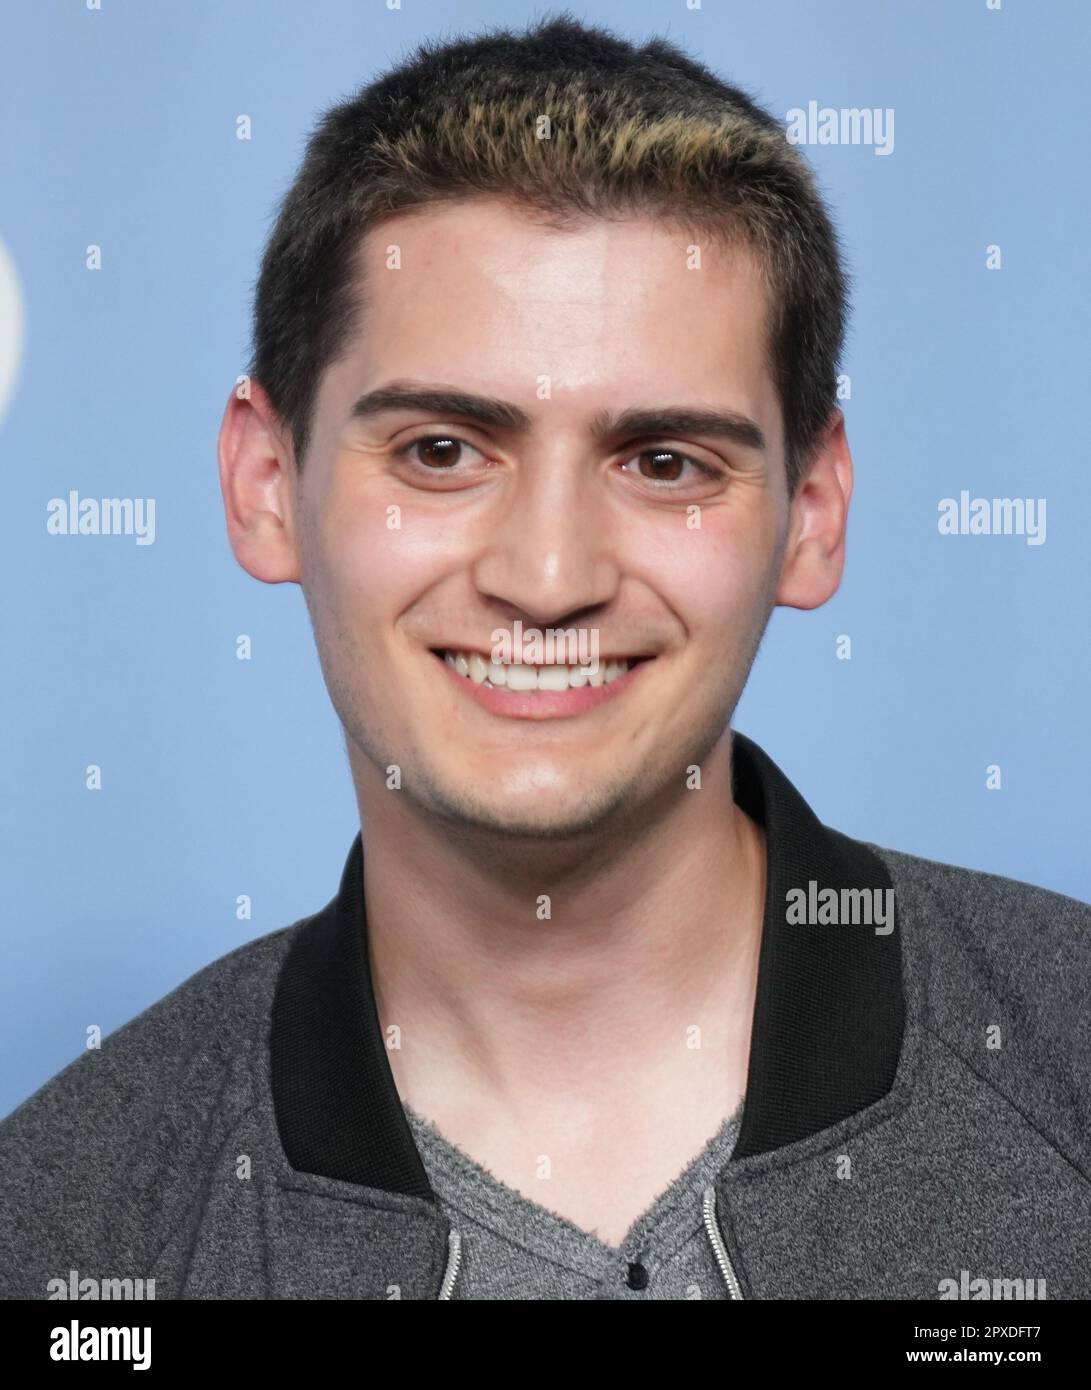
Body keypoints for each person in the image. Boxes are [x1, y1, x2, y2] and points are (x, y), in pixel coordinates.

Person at [2, 14, 1088, 1301]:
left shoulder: (1058, 1068)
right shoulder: (67, 1236)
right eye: (442, 451)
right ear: (262, 484)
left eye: (664, 462)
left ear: (810, 512)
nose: (549, 576)